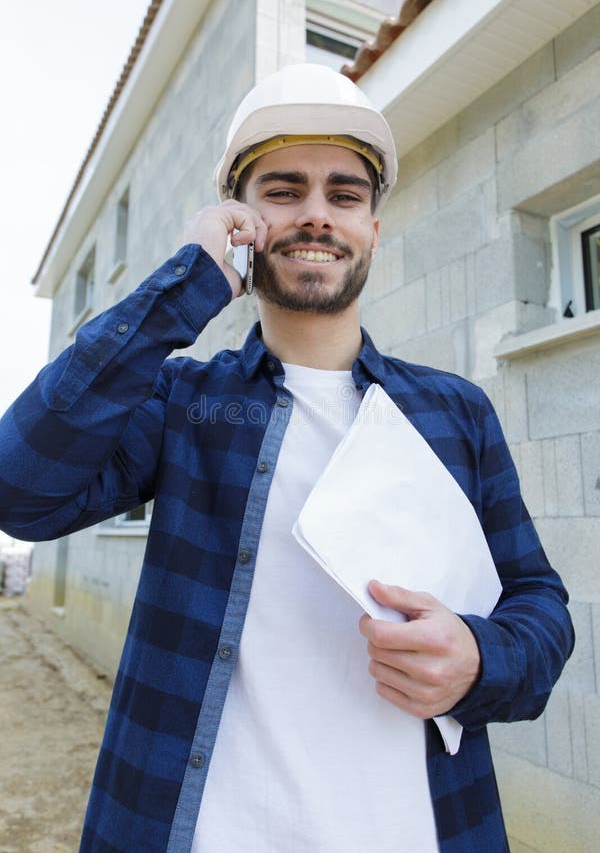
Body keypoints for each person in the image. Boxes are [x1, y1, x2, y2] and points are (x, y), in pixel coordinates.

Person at [0, 64, 573, 853]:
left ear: (375, 226)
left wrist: (482, 659)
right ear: (241, 218)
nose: (315, 214)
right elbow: (19, 488)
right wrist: (185, 287)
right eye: (282, 190)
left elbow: (539, 604)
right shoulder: (183, 404)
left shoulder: (454, 412)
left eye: (344, 195)